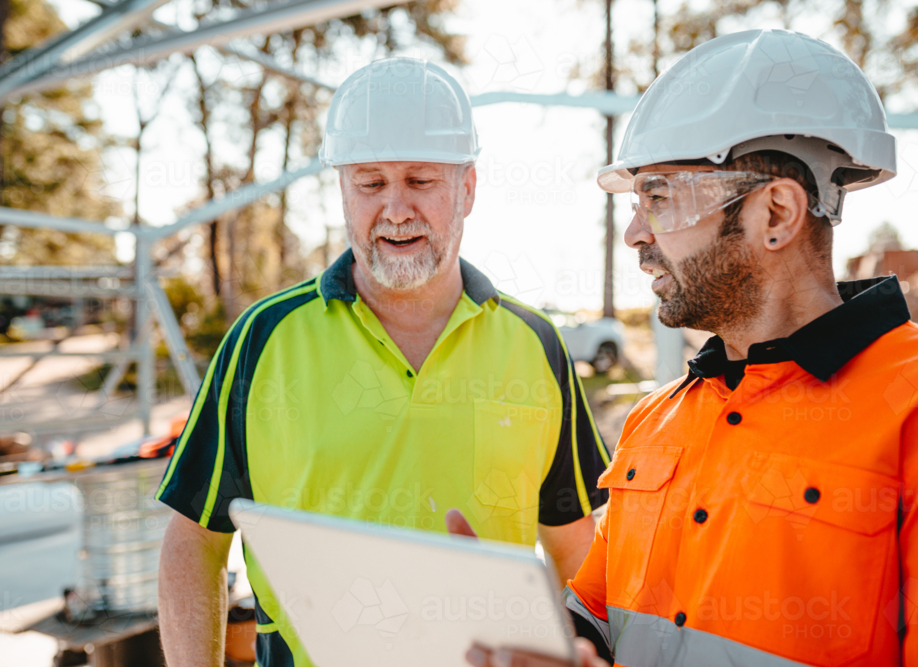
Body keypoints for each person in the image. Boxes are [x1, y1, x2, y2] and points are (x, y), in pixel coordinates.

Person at [472, 29, 918, 666]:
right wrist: (519, 623)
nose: (636, 233)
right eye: (638, 202)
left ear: (775, 213)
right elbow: (601, 617)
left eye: (660, 197)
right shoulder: (654, 420)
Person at [155, 57, 610, 667]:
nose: (396, 210)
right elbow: (194, 542)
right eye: (371, 183)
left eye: (421, 181)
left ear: (467, 189)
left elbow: (577, 548)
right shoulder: (261, 341)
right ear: (342, 188)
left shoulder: (536, 344)